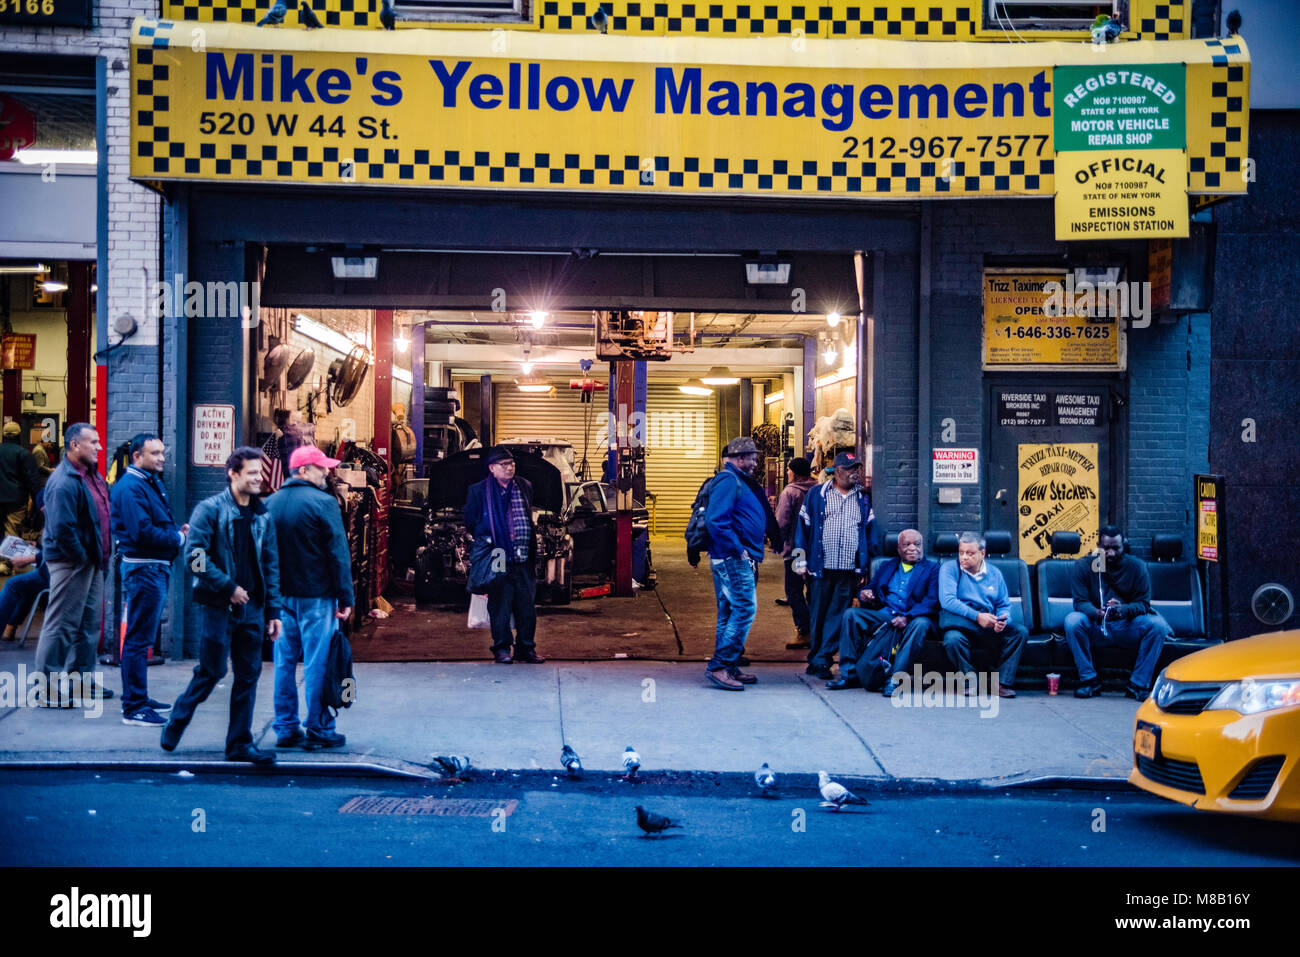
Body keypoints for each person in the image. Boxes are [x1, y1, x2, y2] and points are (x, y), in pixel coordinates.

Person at [161, 447, 283, 764]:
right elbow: (194, 558)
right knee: (212, 671)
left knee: (248, 675)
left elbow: (271, 564)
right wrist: (228, 587)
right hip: (218, 606)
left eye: (261, 473)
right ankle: (179, 716)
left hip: (253, 609)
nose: (259, 478)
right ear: (233, 473)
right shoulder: (210, 510)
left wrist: (273, 612)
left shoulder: (262, 515)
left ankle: (239, 744)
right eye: (252, 473)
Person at [266, 445, 354, 750]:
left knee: (284, 663)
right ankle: (318, 727)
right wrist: (346, 597)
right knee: (317, 662)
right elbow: (338, 555)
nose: (326, 472)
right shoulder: (323, 503)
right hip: (317, 597)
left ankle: (286, 727)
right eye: (321, 468)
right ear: (303, 470)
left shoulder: (270, 503)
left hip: (281, 599)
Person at [32, 423, 114, 707]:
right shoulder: (63, 481)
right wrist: (80, 557)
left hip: (92, 561)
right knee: (61, 627)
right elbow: (62, 530)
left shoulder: (91, 475)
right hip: (71, 563)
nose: (99, 447)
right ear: (74, 445)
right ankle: (47, 691)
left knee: (89, 626)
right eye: (93, 442)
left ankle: (80, 683)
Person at [111, 434, 187, 727]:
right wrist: (177, 537)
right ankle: (134, 707)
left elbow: (152, 524)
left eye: (162, 453)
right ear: (137, 456)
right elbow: (141, 531)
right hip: (144, 570)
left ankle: (138, 698)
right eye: (154, 453)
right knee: (137, 639)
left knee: (141, 636)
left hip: (153, 569)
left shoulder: (146, 482)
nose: (161, 458)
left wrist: (172, 533)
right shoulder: (131, 487)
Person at [792, 451, 874, 681]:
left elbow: (871, 534)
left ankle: (822, 660)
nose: (854, 473)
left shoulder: (864, 499)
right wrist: (799, 561)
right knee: (817, 615)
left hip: (849, 569)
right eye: (849, 469)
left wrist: (865, 568)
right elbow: (801, 529)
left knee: (837, 617)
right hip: (820, 566)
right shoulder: (816, 495)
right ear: (836, 471)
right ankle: (816, 658)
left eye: (856, 469)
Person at [1064, 525, 1172, 699]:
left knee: (1157, 626)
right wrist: (1098, 613)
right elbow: (1080, 602)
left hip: (1126, 624)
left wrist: (1123, 610)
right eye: (1106, 548)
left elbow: (1143, 604)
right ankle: (1089, 681)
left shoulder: (1137, 566)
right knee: (1072, 620)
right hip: (1097, 624)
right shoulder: (1084, 565)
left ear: (1124, 546)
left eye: (1116, 548)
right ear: (1098, 545)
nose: (1111, 553)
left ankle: (1137, 685)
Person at [827, 528, 939, 694]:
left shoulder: (932, 568)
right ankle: (849, 675)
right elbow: (871, 588)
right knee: (851, 615)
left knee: (921, 624)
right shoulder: (887, 566)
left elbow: (932, 600)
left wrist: (907, 617)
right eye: (907, 544)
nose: (913, 548)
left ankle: (895, 680)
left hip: (914, 618)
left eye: (917, 544)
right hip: (886, 615)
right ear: (898, 548)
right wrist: (865, 594)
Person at [700, 436, 770, 691]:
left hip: (731, 556)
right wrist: (738, 550)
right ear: (740, 458)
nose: (755, 462)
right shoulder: (728, 480)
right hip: (733, 558)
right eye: (752, 458)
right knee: (745, 609)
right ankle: (720, 666)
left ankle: (728, 666)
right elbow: (716, 521)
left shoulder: (736, 480)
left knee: (729, 612)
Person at [463, 446, 544, 665]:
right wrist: (490, 537)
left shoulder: (524, 486)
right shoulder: (479, 491)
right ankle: (501, 648)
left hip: (524, 554)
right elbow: (470, 521)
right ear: (492, 468)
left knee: (526, 605)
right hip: (498, 553)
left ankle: (526, 648)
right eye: (504, 465)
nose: (509, 468)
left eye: (512, 464)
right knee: (500, 602)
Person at [937, 532, 1024, 698]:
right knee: (952, 640)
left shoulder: (995, 573)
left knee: (1020, 632)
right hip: (962, 623)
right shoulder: (949, 568)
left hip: (989, 624)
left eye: (969, 553)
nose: (964, 557)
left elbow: (1003, 605)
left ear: (982, 553)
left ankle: (1000, 683)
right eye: (961, 552)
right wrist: (978, 617)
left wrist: (1002, 620)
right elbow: (947, 601)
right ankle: (970, 682)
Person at [774, 457, 817, 650]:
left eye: (789, 470)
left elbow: (781, 522)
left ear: (795, 472)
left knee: (793, 590)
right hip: (816, 550)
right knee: (814, 590)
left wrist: (777, 542)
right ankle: (816, 629)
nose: (787, 473)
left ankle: (804, 630)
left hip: (795, 551)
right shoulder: (820, 489)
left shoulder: (789, 492)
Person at [0, 420, 41, 574]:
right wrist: (38, 502)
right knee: (11, 530)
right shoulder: (24, 454)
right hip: (16, 499)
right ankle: (6, 563)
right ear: (18, 435)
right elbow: (33, 481)